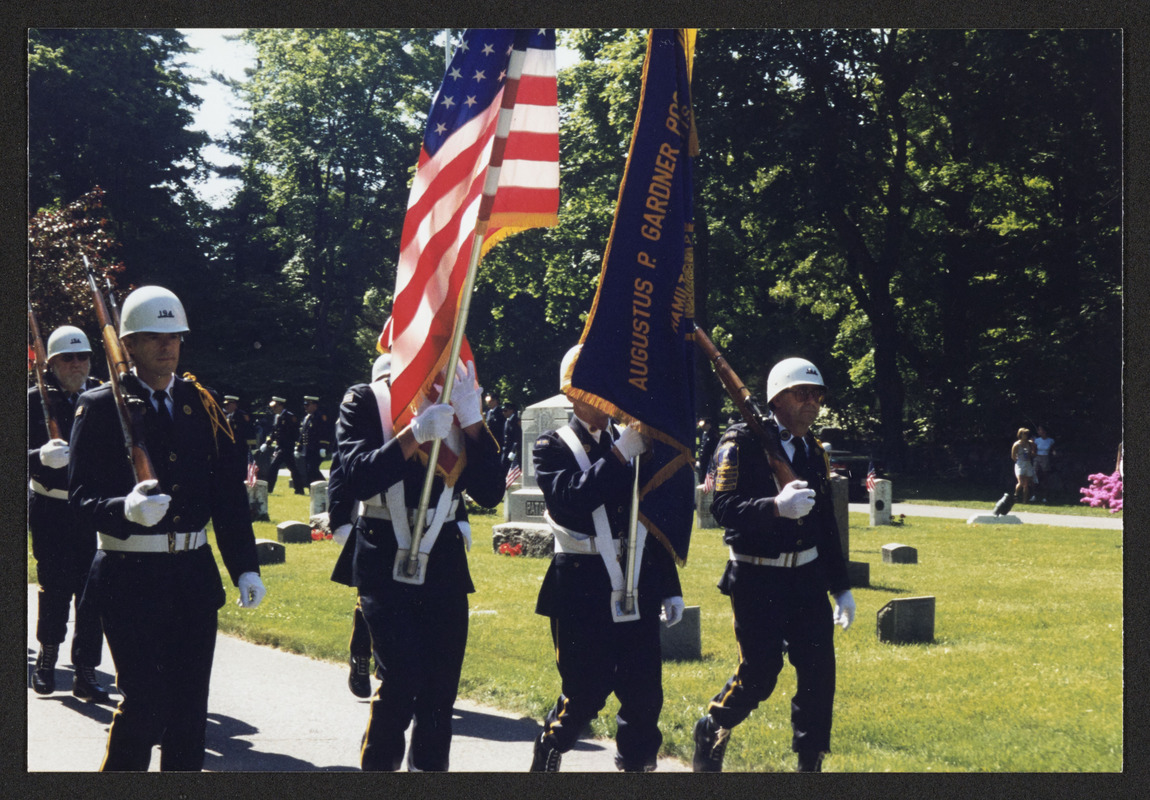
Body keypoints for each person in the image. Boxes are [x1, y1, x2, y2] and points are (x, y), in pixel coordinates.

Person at [68, 285, 266, 772]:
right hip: (128, 576)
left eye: (174, 337)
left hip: (193, 577)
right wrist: (124, 509)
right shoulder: (98, 406)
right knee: (144, 705)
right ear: (129, 344)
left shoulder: (205, 405)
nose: (167, 347)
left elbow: (227, 497)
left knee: (189, 714)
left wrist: (245, 567)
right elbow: (79, 498)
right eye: (154, 337)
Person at [336, 355, 504, 771]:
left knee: (440, 690)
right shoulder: (366, 401)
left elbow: (490, 491)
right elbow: (356, 476)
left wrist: (472, 423)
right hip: (383, 553)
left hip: (442, 556)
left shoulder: (450, 400)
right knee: (401, 681)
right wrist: (412, 435)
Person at [692, 357, 854, 773]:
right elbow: (723, 506)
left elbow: (825, 524)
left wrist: (841, 585)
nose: (812, 404)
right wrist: (776, 508)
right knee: (761, 674)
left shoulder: (812, 450)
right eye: (802, 394)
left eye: (817, 396)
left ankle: (809, 763)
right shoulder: (740, 441)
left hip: (807, 576)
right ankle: (713, 724)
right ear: (777, 398)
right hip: (757, 575)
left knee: (819, 674)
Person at [529, 345, 684, 773]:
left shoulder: (630, 443)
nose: (606, 399)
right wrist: (620, 456)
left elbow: (648, 520)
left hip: (635, 581)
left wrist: (669, 586)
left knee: (644, 692)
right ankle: (549, 751)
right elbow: (571, 500)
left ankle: (635, 766)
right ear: (573, 395)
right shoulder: (551, 447)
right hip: (581, 584)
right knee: (585, 691)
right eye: (594, 390)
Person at [27, 325, 109, 702]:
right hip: (51, 507)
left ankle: (86, 669)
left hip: (92, 508)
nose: (76, 364)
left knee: (93, 592)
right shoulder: (31, 400)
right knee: (56, 587)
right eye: (67, 358)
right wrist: (37, 458)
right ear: (51, 363)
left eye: (83, 357)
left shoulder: (102, 398)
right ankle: (47, 659)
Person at [329, 355, 393, 700]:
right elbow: (342, 472)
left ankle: (385, 667)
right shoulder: (364, 412)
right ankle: (360, 655)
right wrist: (340, 519)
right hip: (365, 518)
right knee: (366, 600)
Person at [262, 396, 304, 494]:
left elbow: (296, 433)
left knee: (273, 467)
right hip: (280, 447)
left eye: (275, 407)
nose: (273, 409)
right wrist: (267, 443)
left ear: (281, 405)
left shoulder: (289, 416)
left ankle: (268, 489)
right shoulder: (277, 417)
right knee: (293, 468)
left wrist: (297, 446)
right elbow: (274, 432)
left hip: (286, 447)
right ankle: (299, 489)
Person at [298, 394, 330, 487]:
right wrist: (299, 446)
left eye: (307, 405)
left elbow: (325, 432)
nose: (305, 407)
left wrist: (323, 446)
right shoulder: (307, 417)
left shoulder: (320, 416)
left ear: (315, 405)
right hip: (308, 448)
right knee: (309, 470)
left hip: (317, 448)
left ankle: (325, 487)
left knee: (312, 469)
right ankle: (313, 489)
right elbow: (303, 432)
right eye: (305, 405)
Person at [1012, 427, 1037, 503]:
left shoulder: (1030, 443)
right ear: (1020, 435)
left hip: (1028, 463)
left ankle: (1024, 501)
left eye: (1027, 434)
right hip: (1020, 464)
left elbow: (1034, 453)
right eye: (1024, 434)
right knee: (1021, 482)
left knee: (1026, 484)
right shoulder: (1016, 444)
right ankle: (1016, 494)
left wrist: (1032, 451)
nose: (1026, 436)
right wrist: (1019, 461)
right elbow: (1013, 456)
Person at [1033, 425, 1055, 502]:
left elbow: (1052, 450)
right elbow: (1034, 451)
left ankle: (1045, 497)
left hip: (1046, 458)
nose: (1038, 431)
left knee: (1045, 478)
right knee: (1036, 477)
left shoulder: (1051, 441)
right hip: (1038, 458)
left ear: (1044, 431)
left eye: (1040, 430)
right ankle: (1034, 495)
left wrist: (1054, 453)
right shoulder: (1037, 440)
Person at [500, 402, 522, 473]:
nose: (503, 412)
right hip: (506, 450)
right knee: (503, 470)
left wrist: (513, 450)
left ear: (511, 410)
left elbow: (518, 437)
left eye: (505, 410)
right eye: (502, 410)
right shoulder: (507, 421)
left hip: (514, 451)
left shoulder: (516, 421)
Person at [696, 417, 718, 484]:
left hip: (709, 460)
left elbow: (714, 449)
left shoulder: (713, 435)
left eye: (704, 425)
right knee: (701, 474)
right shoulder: (703, 433)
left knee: (707, 476)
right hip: (703, 459)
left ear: (709, 425)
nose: (703, 427)